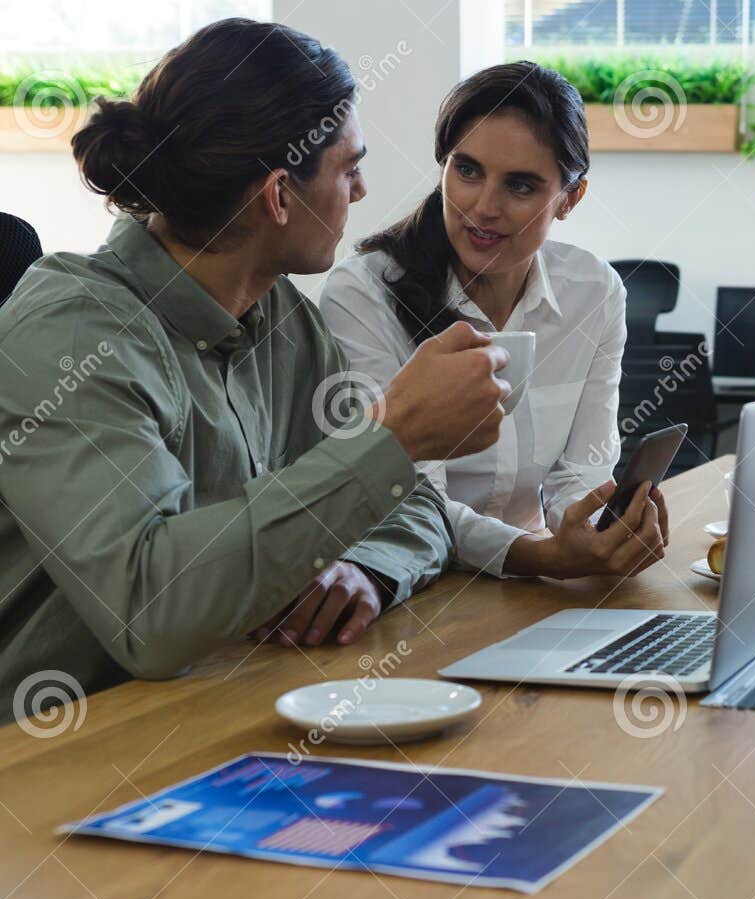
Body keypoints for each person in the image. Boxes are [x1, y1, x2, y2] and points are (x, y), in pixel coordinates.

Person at [0, 18, 511, 721]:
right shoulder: (73, 329)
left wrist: (366, 567)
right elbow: (153, 611)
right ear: (278, 196)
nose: (360, 191)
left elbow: (412, 506)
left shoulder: (284, 321)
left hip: (211, 706)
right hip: (43, 751)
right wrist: (395, 435)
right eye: (348, 166)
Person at [320, 62, 667, 581]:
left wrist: (599, 531)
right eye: (467, 170)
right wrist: (538, 556)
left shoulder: (594, 292)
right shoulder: (362, 295)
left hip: (532, 586)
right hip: (402, 584)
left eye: (521, 186)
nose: (483, 207)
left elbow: (583, 469)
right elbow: (408, 500)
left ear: (570, 198)